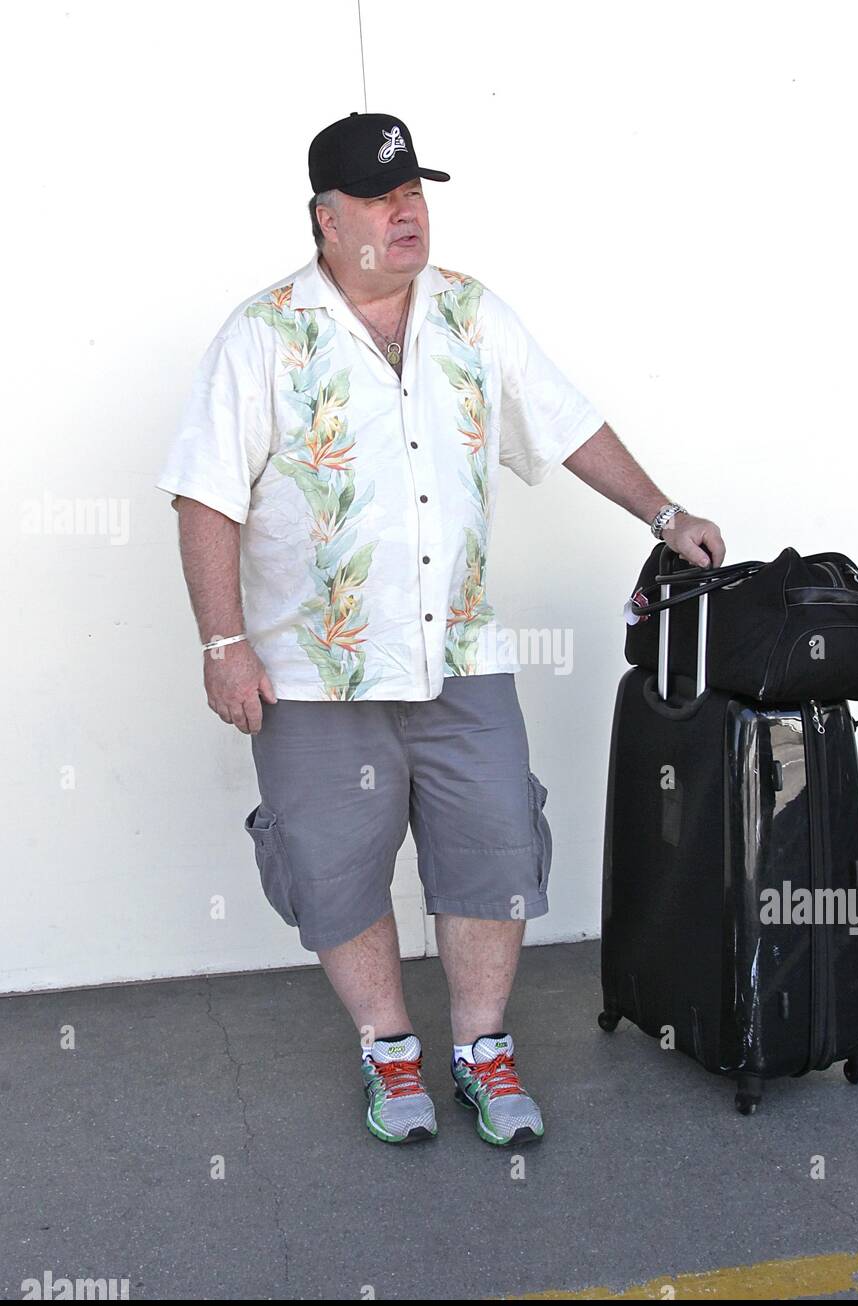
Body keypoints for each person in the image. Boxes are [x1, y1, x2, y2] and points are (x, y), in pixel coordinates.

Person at [156, 111, 725, 1147]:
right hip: (314, 672)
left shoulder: (471, 314)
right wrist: (221, 644)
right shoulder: (264, 334)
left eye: (415, 191)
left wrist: (663, 513)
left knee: (494, 848)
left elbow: (567, 423)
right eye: (380, 198)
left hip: (461, 653)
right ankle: (388, 1050)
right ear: (325, 220)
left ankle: (481, 1047)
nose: (407, 211)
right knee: (335, 866)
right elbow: (205, 498)